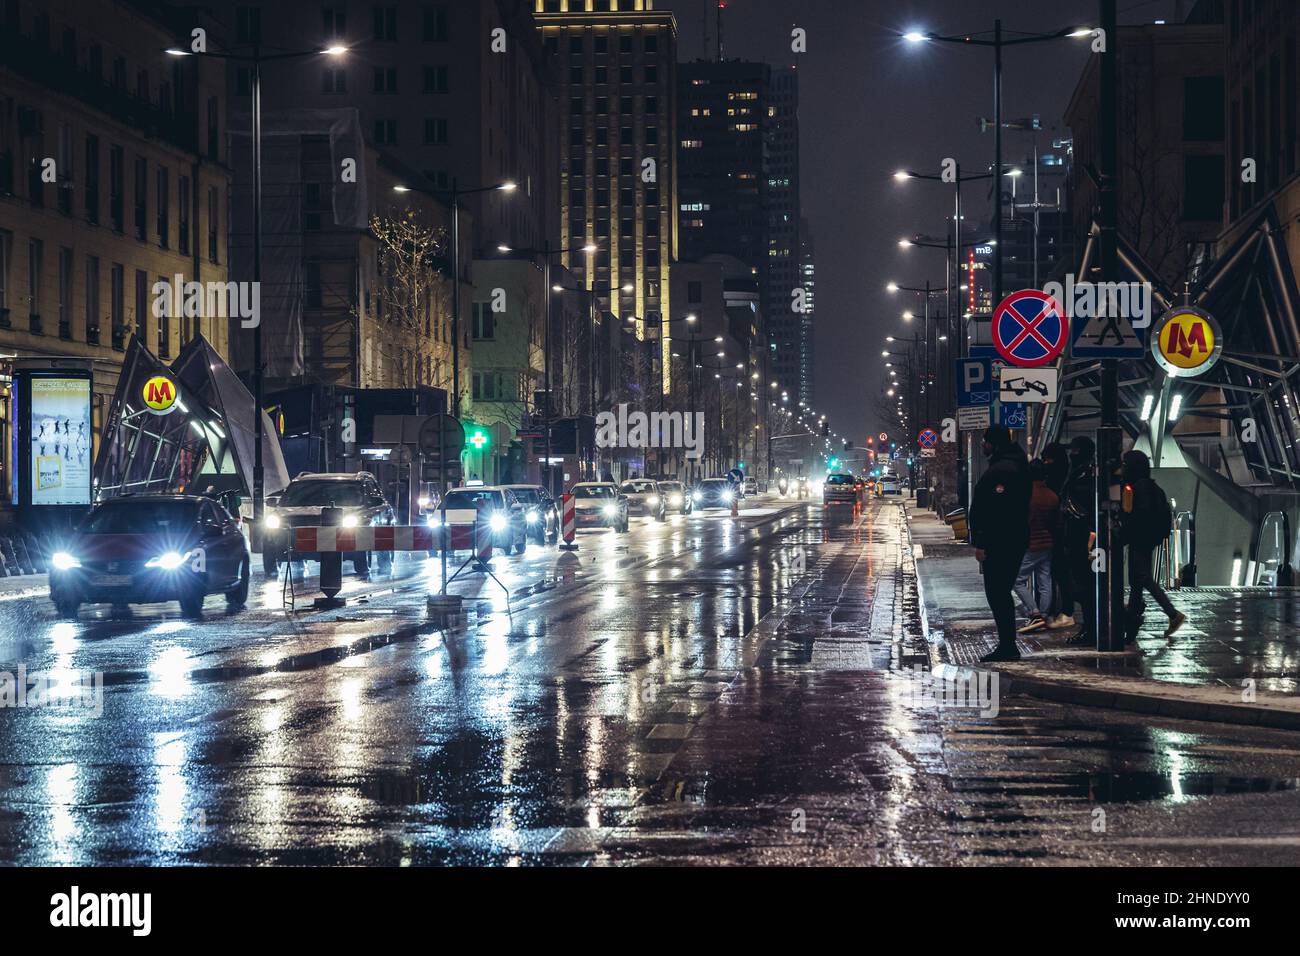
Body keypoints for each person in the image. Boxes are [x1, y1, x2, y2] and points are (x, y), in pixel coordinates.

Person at [969, 425, 1031, 662]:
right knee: (999, 592)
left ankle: (1008, 645)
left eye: (985, 441)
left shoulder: (1003, 469)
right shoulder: (1011, 463)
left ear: (994, 443)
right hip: (1009, 539)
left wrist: (983, 541)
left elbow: (996, 510)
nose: (982, 445)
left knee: (997, 592)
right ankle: (1007, 644)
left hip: (1002, 541)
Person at [1119, 450, 1186, 642]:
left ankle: (1173, 614)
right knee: (1136, 583)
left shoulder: (1139, 488)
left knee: (1142, 577)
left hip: (1140, 539)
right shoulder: (1149, 486)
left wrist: (1125, 534)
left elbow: (1135, 515)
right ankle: (1131, 628)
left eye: (1126, 465)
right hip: (1146, 539)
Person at [1014, 460, 1061, 633]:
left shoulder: (1025, 494)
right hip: (1047, 543)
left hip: (1030, 543)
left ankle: (1034, 613)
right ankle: (1045, 614)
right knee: (1044, 580)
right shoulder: (1052, 496)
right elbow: (1056, 522)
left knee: (1017, 581)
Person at [1061, 435, 1098, 645]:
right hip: (1077, 537)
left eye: (1075, 450)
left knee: (1084, 586)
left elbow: (1084, 508)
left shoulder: (1085, 475)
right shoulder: (1081, 472)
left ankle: (1091, 629)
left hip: (1082, 538)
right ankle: (1091, 627)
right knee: (1082, 585)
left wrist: (1089, 538)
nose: (1072, 454)